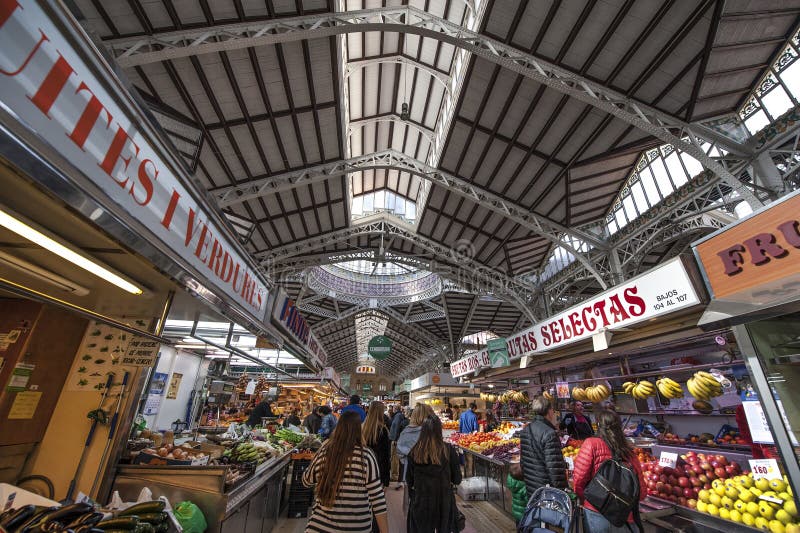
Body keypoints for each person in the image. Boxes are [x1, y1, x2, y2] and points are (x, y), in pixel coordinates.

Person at [302, 411, 388, 533]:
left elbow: (306, 481)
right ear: (359, 430)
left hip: (320, 526)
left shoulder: (325, 452)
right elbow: (378, 500)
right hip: (357, 527)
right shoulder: (366, 456)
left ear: (338, 427)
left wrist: (321, 451)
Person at [572, 409, 647, 533]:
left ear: (599, 426)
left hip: (595, 512)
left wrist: (586, 498)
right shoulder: (629, 452)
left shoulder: (591, 444)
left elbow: (579, 480)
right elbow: (641, 491)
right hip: (622, 518)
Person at [406, 415, 462, 533]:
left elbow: (409, 480)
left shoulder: (414, 451)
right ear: (439, 430)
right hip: (443, 501)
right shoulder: (448, 450)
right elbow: (457, 479)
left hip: (421, 501)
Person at [520, 396, 567, 495]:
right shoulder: (549, 434)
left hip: (531, 487)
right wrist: (562, 493)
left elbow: (523, 462)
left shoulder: (526, 430)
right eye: (553, 411)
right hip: (546, 490)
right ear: (549, 411)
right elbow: (555, 470)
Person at [396, 404, 434, 488]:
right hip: (429, 476)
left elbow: (399, 452)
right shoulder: (430, 432)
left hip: (410, 475)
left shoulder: (406, 432)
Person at [363, 400, 391, 487]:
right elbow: (386, 455)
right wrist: (386, 479)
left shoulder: (362, 428)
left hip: (363, 466)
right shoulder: (382, 430)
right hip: (377, 468)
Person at [389, 406, 411, 483]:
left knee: (394, 459)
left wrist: (394, 439)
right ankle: (398, 476)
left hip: (396, 441)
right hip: (401, 441)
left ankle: (395, 476)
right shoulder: (401, 417)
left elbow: (396, 427)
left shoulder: (398, 416)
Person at [507, 460, 527, 524]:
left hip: (516, 512)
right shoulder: (524, 487)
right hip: (525, 513)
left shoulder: (511, 480)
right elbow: (528, 500)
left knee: (519, 525)